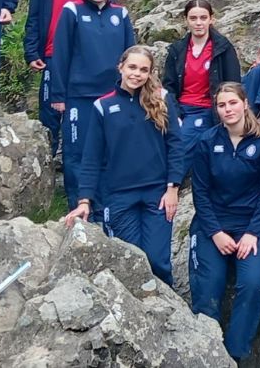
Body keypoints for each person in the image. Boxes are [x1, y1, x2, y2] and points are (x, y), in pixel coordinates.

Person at [64, 45, 185, 285]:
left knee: (158, 261)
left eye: (143, 70)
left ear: (150, 73)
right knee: (129, 261)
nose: (136, 74)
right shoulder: (103, 106)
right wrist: (84, 201)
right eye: (132, 67)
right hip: (118, 196)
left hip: (157, 194)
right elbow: (91, 157)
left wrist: (173, 188)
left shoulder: (161, 99)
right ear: (120, 67)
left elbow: (176, 145)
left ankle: (168, 313)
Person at [189, 82, 260, 362]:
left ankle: (234, 355)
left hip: (252, 224)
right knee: (208, 287)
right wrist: (215, 232)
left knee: (253, 285)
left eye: (232, 103)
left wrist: (253, 232)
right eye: (221, 105)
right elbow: (200, 192)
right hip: (212, 224)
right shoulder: (207, 141)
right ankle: (209, 354)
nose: (227, 109)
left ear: (244, 103)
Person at [49, 0, 135, 212]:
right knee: (77, 152)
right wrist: (58, 94)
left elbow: (131, 56)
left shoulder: (121, 14)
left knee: (110, 151)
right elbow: (61, 54)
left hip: (112, 95)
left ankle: (106, 208)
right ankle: (78, 205)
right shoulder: (72, 11)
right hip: (79, 95)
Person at [23, 0, 90, 157]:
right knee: (50, 109)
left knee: (78, 109)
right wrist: (32, 51)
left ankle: (74, 162)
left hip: (84, 55)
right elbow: (34, 16)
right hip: (51, 53)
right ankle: (47, 162)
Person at [163, 0, 242, 148]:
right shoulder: (177, 50)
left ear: (211, 19)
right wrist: (175, 114)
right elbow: (168, 87)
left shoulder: (223, 48)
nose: (198, 23)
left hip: (207, 109)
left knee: (181, 145)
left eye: (203, 18)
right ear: (185, 20)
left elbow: (233, 85)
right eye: (193, 18)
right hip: (179, 109)